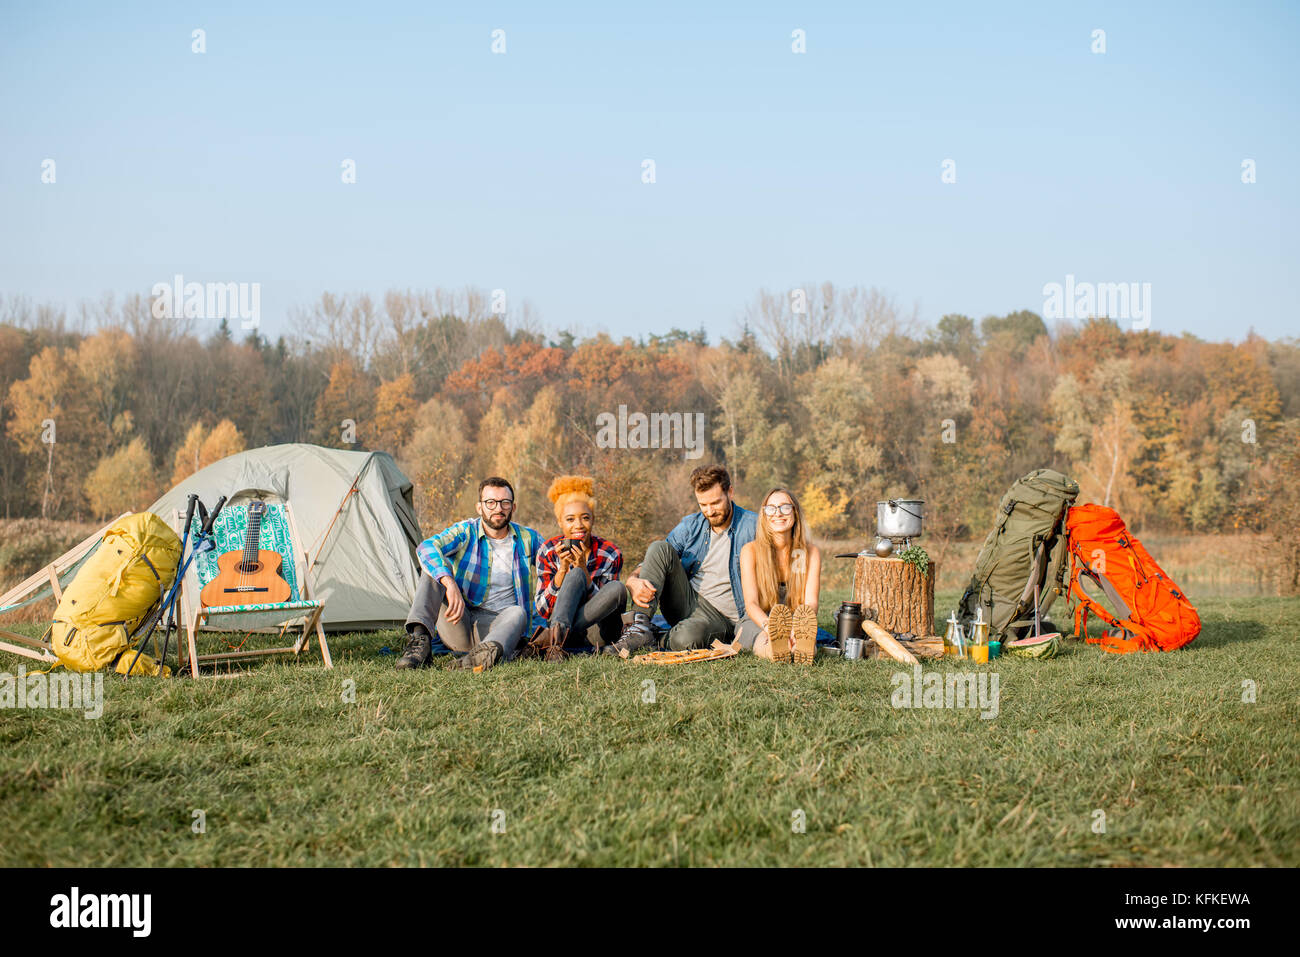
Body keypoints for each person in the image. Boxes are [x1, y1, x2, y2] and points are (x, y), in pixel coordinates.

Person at [397, 476, 542, 672]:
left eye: (504, 503)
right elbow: (426, 547)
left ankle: (481, 657)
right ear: (479, 507)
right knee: (435, 567)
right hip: (460, 620)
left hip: (501, 628)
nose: (498, 509)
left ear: (513, 507)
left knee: (518, 612)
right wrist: (449, 582)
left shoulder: (528, 538)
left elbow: (553, 564)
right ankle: (419, 643)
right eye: (490, 503)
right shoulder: (466, 531)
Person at [608, 465, 757, 656]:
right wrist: (632, 580)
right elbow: (658, 558)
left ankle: (658, 637)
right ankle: (640, 627)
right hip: (688, 602)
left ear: (730, 492)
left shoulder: (753, 526)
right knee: (659, 547)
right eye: (703, 505)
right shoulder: (691, 525)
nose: (710, 511)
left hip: (725, 619)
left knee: (685, 639)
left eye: (715, 503)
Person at [530, 475, 626, 657]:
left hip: (597, 631)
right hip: (564, 627)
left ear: (593, 519)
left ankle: (553, 638)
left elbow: (607, 607)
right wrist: (563, 570)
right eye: (570, 519)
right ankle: (556, 643)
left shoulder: (610, 553)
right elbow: (543, 610)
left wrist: (583, 568)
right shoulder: (548, 551)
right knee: (573, 576)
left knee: (617, 589)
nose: (578, 525)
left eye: (585, 518)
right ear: (560, 522)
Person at [736, 487, 822, 664]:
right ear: (764, 514)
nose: (778, 513)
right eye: (771, 508)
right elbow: (751, 604)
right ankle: (774, 650)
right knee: (764, 640)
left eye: (785, 507)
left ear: (795, 512)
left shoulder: (810, 552)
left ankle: (801, 649)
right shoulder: (750, 551)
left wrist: (798, 628)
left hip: (795, 619)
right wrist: (771, 628)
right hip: (759, 620)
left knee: (808, 643)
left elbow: (811, 602)